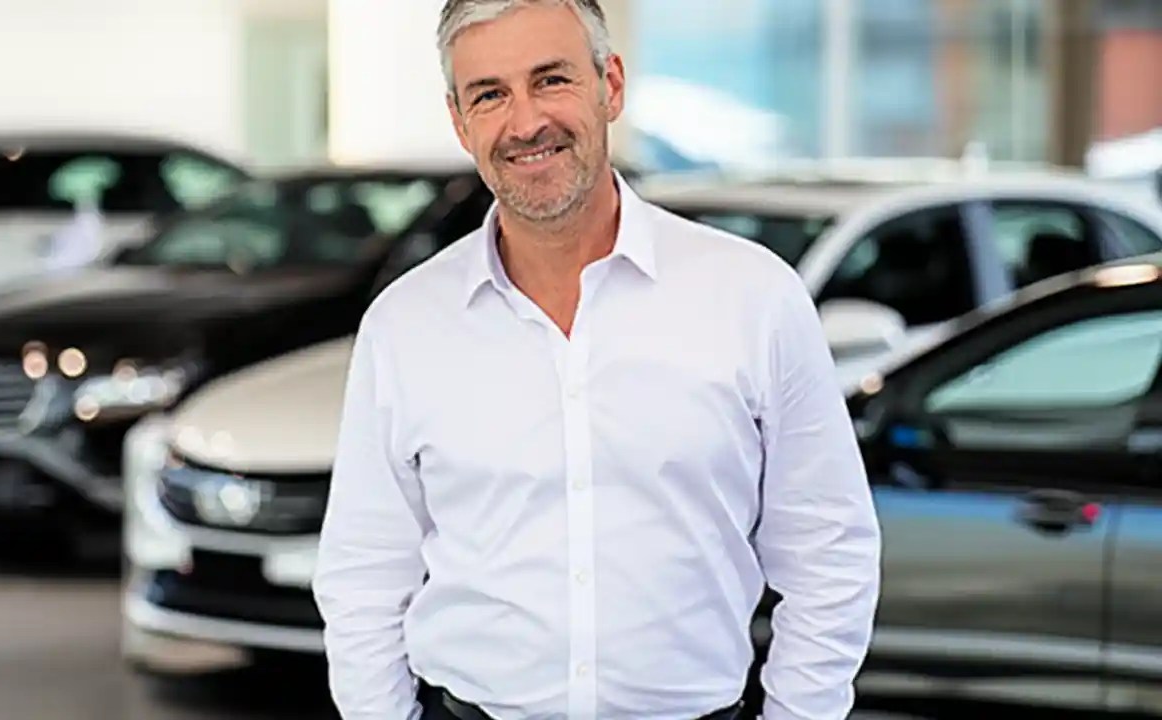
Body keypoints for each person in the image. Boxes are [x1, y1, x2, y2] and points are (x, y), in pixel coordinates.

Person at [311, 1, 882, 718]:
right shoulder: (405, 325)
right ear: (460, 121)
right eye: (490, 94)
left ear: (610, 85)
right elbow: (364, 577)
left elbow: (830, 554)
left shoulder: (753, 297)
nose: (525, 123)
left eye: (551, 80)